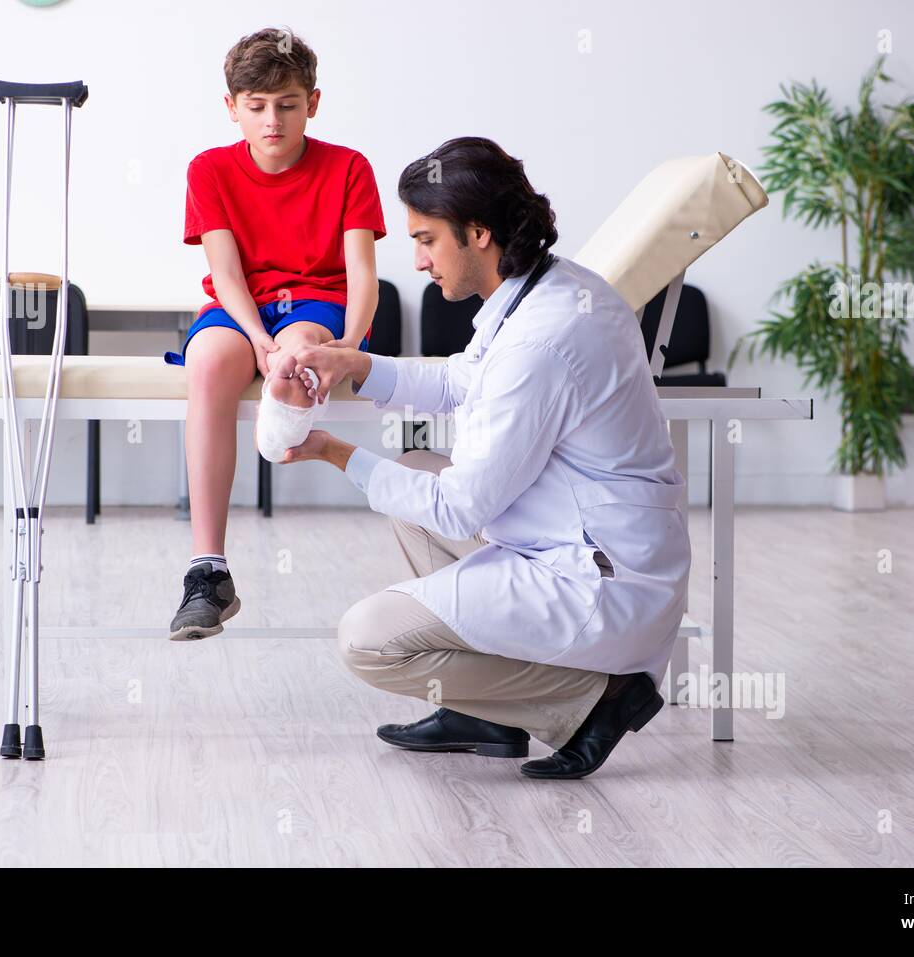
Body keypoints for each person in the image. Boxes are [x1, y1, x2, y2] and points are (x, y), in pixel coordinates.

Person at [279, 137, 691, 780]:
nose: (416, 261)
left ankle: (598, 697)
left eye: (426, 240)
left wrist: (332, 453)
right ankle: (486, 714)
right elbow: (464, 380)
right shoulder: (546, 289)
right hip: (580, 538)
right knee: (414, 471)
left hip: (598, 575)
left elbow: (461, 505)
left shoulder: (544, 340)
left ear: (478, 233)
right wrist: (358, 365)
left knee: (368, 640)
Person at [164, 27, 386, 641]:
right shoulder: (209, 169)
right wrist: (257, 337)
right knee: (208, 360)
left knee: (299, 346)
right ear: (232, 107)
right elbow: (225, 273)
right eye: (256, 106)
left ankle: (286, 407)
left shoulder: (348, 167)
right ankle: (207, 571)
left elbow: (364, 276)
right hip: (244, 309)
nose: (272, 121)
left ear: (312, 103)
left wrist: (349, 344)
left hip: (320, 303)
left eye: (287, 105)